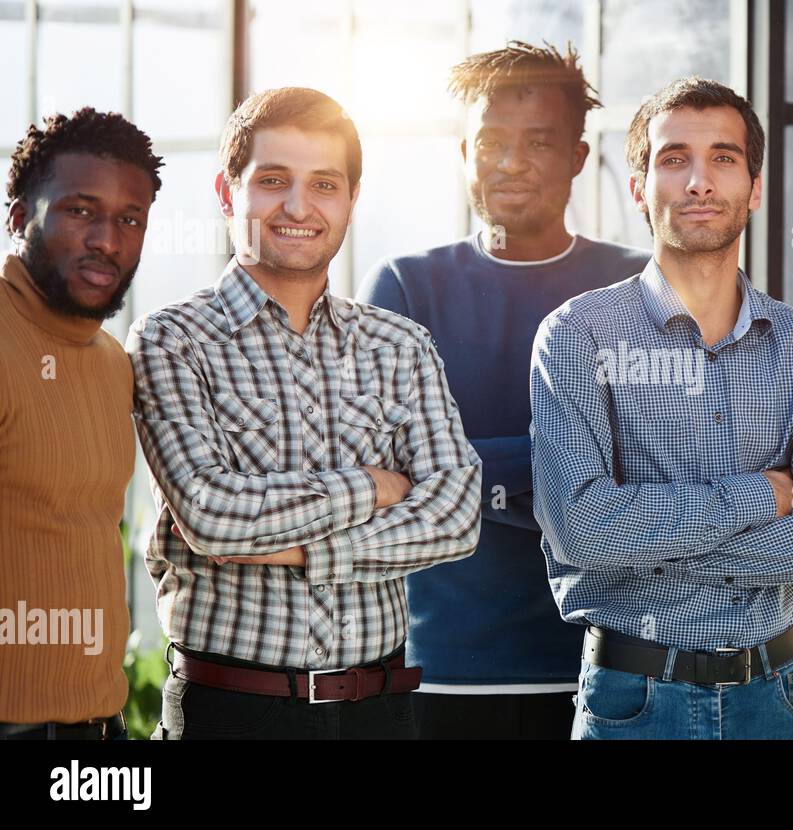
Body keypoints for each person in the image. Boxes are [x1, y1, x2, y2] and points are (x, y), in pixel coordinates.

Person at [127, 87, 482, 740]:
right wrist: (374, 486)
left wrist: (294, 550)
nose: (298, 206)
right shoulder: (171, 339)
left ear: (350, 200)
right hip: (230, 714)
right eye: (272, 180)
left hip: (380, 713)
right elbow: (211, 515)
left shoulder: (399, 345)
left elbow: (455, 518)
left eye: (324, 183)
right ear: (228, 192)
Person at [530, 76, 793, 740]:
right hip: (631, 698)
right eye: (674, 158)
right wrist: (750, 499)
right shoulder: (577, 336)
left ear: (755, 188)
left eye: (724, 159)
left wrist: (640, 535)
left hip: (776, 699)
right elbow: (582, 533)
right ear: (638, 188)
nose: (699, 182)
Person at [357, 41, 648, 740]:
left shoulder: (633, 289)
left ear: (579, 156)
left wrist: (460, 473)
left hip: (605, 674)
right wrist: (568, 478)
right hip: (439, 672)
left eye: (539, 142)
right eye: (491, 141)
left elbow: (651, 467)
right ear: (463, 151)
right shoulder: (404, 287)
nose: (512, 162)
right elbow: (382, 480)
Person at [0, 109, 162, 741]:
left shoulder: (111, 362)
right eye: (80, 211)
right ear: (18, 216)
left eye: (130, 219)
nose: (107, 240)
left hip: (100, 726)